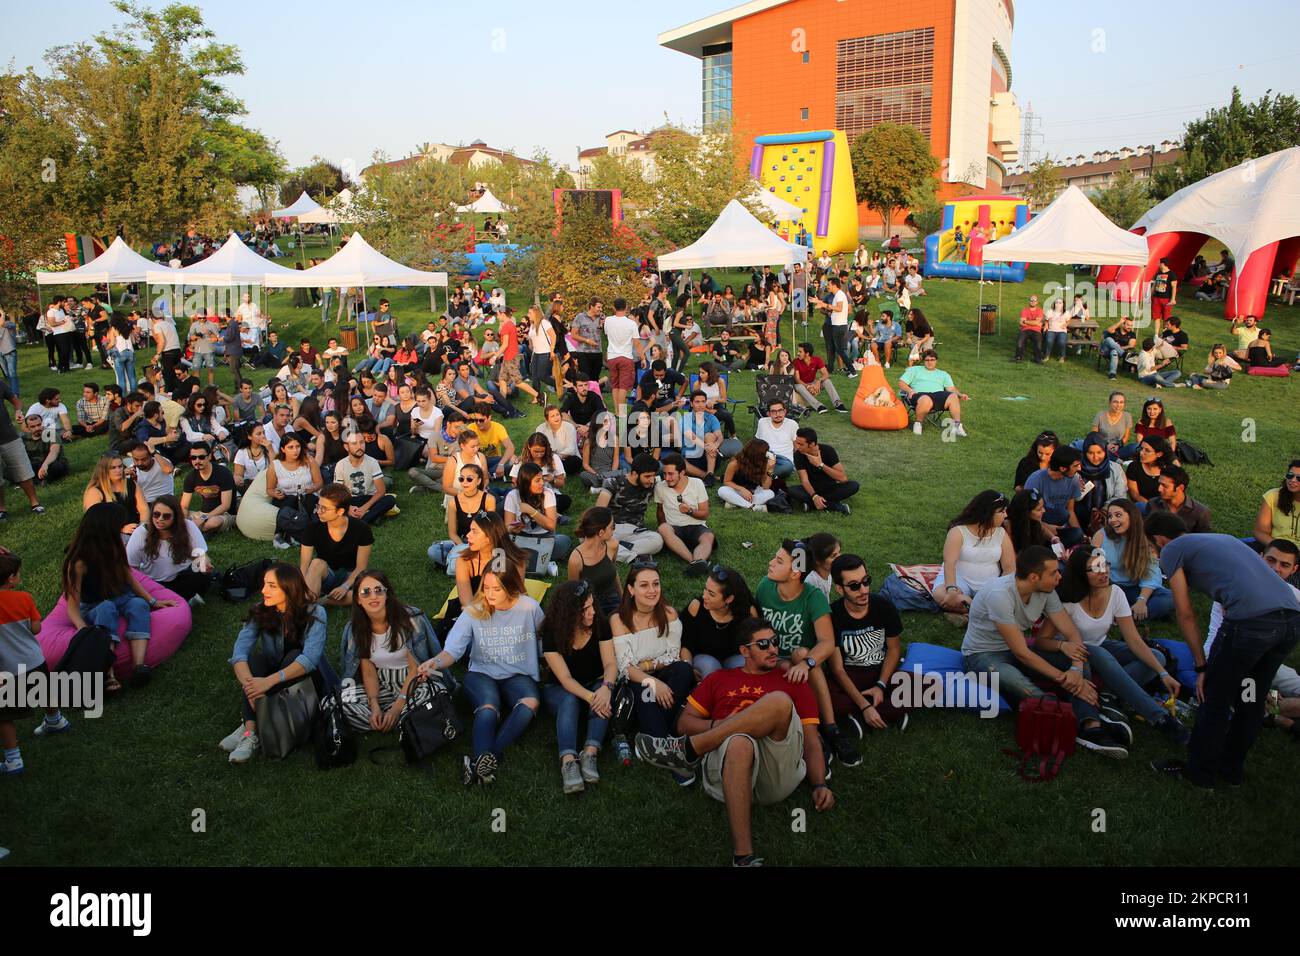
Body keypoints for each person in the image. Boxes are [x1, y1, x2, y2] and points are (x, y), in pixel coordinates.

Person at [634, 617, 830, 867]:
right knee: (739, 740)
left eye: (775, 642)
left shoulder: (791, 678)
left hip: (776, 770)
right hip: (727, 772)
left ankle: (689, 750)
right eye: (763, 644)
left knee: (779, 701)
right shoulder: (719, 679)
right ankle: (743, 857)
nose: (773, 649)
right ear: (744, 651)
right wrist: (724, 726)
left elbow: (811, 738)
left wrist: (819, 784)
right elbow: (684, 723)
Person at [1145, 513, 1300, 787]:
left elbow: (1185, 614)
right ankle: (1231, 771)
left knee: (1213, 697)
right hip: (1290, 621)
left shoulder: (1171, 549)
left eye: (1150, 546)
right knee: (1251, 697)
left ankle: (1199, 774)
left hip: (1251, 625)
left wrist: (1202, 666)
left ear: (1158, 539)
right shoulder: (1222, 539)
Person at [962, 546, 1132, 756]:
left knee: (1079, 657)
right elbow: (1022, 653)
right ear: (1034, 577)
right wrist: (1066, 678)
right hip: (983, 656)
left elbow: (1072, 634)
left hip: (1018, 648)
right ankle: (1070, 719)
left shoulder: (1046, 591)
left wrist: (1077, 671)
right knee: (1027, 689)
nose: (1059, 577)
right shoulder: (1000, 595)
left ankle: (1091, 726)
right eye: (1054, 573)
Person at [417, 563, 546, 786]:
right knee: (488, 708)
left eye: (497, 589)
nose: (490, 594)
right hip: (482, 673)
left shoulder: (530, 608)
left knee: (531, 703)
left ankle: (480, 762)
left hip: (518, 674)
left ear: (511, 586)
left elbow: (546, 642)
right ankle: (484, 763)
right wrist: (433, 663)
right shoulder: (475, 610)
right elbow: (453, 651)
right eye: (486, 588)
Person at [1052, 547, 1189, 743]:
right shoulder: (1068, 601)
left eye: (1105, 565)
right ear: (1081, 575)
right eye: (1095, 568)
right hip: (1071, 652)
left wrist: (1163, 673)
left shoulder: (1115, 592)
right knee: (1098, 652)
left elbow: (1133, 638)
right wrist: (1062, 647)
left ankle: (1108, 694)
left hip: (1101, 644)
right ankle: (1159, 717)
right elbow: (1043, 638)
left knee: (1156, 657)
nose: (1104, 571)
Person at [756, 539, 857, 766]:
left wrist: (806, 664)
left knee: (801, 654)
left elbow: (827, 641)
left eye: (779, 561)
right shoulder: (764, 586)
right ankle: (812, 734)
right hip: (772, 662)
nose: (771, 563)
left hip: (804, 665)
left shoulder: (813, 597)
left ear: (795, 573)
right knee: (785, 664)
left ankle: (831, 728)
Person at [220, 563, 333, 764]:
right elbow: (239, 653)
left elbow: (309, 660)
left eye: (272, 586)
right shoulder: (260, 610)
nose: (264, 591)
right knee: (256, 660)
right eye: (264, 584)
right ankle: (250, 731)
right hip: (271, 677)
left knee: (295, 656)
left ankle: (253, 721)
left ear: (289, 588)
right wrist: (252, 688)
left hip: (308, 683)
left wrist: (268, 682)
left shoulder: (315, 612)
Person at [63, 503, 176, 690]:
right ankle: (108, 673)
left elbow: (128, 576)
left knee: (139, 605)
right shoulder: (79, 562)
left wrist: (153, 601)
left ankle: (139, 666)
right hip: (93, 605)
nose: (121, 529)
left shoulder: (115, 546)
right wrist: (84, 631)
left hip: (121, 596)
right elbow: (72, 605)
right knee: (106, 608)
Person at [609, 561, 696, 783]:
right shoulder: (619, 620)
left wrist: (648, 667)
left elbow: (673, 656)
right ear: (630, 589)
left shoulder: (668, 614)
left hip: (661, 673)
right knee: (643, 688)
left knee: (684, 670)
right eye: (644, 585)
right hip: (635, 682)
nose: (652, 591)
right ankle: (670, 751)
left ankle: (651, 736)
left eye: (656, 584)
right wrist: (651, 680)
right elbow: (626, 668)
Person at [338, 571, 450, 736]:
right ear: (358, 600)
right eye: (365, 592)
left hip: (417, 678)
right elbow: (368, 672)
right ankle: (403, 719)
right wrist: (374, 704)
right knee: (341, 701)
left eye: (379, 590)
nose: (373, 596)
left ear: (387, 594)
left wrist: (397, 708)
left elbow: (416, 667)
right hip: (383, 681)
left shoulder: (410, 619)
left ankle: (394, 717)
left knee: (437, 693)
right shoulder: (355, 629)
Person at [539, 580, 618, 793]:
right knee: (570, 698)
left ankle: (590, 752)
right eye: (585, 609)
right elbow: (565, 679)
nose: (592, 612)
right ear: (569, 613)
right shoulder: (551, 632)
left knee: (602, 693)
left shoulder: (600, 623)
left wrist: (606, 688)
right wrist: (593, 698)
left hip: (595, 681)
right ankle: (568, 760)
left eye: (592, 605)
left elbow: (611, 664)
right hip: (560, 689)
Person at [0, 548, 73, 774]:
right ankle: (55, 719)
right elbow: (36, 628)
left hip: (8, 669)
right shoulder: (24, 598)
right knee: (44, 692)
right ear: (11, 578)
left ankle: (13, 759)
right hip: (34, 660)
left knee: (4, 715)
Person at [826, 554, 908, 734]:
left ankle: (861, 713)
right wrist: (864, 705)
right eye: (854, 586)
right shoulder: (832, 616)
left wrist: (881, 685)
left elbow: (894, 649)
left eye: (866, 581)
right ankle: (887, 709)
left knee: (931, 687)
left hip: (882, 671)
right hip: (850, 676)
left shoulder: (884, 606)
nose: (863, 590)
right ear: (840, 589)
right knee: (820, 696)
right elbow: (837, 669)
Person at [933, 490, 1014, 616]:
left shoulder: (1001, 534)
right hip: (959, 581)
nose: (1005, 515)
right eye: (1001, 511)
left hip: (989, 585)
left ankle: (970, 609)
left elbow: (1009, 567)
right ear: (987, 513)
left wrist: (1001, 590)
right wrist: (952, 590)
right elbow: (950, 562)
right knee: (940, 594)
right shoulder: (958, 531)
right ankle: (978, 609)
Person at [1092, 498, 1173, 620]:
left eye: (1118, 515)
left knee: (1169, 598)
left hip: (1134, 589)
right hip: (1108, 587)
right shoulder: (1101, 535)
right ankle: (1128, 616)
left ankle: (1128, 615)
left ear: (1131, 516)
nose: (1112, 520)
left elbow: (1151, 573)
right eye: (1110, 516)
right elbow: (1094, 569)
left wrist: (1142, 600)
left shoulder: (1144, 538)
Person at [126, 495, 216, 604]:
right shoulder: (141, 534)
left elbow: (201, 554)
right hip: (156, 583)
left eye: (166, 516)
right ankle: (185, 600)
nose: (160, 519)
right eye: (156, 514)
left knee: (203, 574)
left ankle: (185, 599)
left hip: (183, 575)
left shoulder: (188, 526)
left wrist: (205, 562)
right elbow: (132, 569)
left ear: (176, 517)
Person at [680, 564, 756, 680]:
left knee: (745, 666)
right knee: (711, 668)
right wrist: (687, 668)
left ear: (729, 599)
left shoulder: (747, 613)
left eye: (711, 594)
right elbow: (686, 644)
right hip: (704, 658)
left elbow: (755, 645)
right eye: (705, 589)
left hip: (734, 658)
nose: (704, 596)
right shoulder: (696, 606)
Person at [654, 453, 715, 576]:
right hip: (674, 529)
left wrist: (690, 511)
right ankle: (694, 562)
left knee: (708, 536)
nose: (667, 478)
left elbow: (705, 514)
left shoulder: (697, 483)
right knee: (663, 528)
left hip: (696, 526)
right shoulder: (660, 487)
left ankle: (698, 561)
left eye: (671, 474)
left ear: (682, 473)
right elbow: (660, 510)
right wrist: (664, 532)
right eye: (664, 474)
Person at [595, 454, 663, 562]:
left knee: (658, 541)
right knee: (589, 537)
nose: (651, 480)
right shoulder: (613, 482)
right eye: (647, 476)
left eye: (653, 476)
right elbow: (598, 512)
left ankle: (615, 548)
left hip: (635, 531)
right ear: (635, 473)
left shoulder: (652, 484)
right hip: (612, 529)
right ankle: (634, 557)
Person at [428, 463, 496, 572]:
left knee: (498, 552)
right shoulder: (453, 502)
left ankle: (453, 564)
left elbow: (491, 529)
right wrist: (463, 548)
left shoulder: (489, 499)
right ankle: (466, 565)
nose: (464, 482)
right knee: (433, 550)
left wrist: (476, 546)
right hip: (461, 542)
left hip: (482, 543)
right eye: (461, 479)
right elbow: (452, 533)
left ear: (478, 481)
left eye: (469, 479)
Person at [504, 462, 571, 571]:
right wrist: (513, 529)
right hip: (521, 537)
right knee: (503, 545)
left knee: (564, 541)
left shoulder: (548, 494)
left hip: (544, 537)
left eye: (542, 479)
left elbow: (551, 526)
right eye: (537, 480)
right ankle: (543, 559)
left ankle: (533, 558)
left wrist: (532, 511)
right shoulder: (513, 495)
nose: (542, 483)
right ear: (526, 483)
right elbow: (507, 527)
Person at [267, 433, 323, 549]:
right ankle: (278, 535)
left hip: (307, 496)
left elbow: (319, 483)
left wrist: (312, 488)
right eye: (290, 447)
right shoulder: (275, 465)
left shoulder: (309, 460)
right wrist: (275, 493)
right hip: (285, 499)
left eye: (298, 446)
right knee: (290, 500)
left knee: (310, 499)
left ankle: (303, 534)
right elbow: (269, 489)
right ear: (283, 449)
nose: (295, 450)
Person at [897, 350, 969, 437]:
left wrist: (960, 395)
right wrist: (910, 390)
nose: (930, 362)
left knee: (953, 396)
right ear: (923, 361)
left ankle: (957, 426)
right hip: (919, 395)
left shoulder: (943, 374)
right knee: (926, 399)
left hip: (938, 395)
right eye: (927, 360)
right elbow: (901, 383)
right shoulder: (914, 369)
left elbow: (951, 389)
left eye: (932, 360)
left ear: (936, 361)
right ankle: (918, 424)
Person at [1025, 447, 1086, 549]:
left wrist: (1082, 537)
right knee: (1061, 514)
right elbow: (1027, 514)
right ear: (1063, 468)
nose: (1079, 468)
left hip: (1058, 527)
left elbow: (1070, 511)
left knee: (1076, 532)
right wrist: (1047, 528)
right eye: (1075, 466)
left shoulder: (1073, 480)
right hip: (1037, 524)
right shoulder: (1036, 480)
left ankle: (1055, 547)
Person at [568, 506, 622, 617]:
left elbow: (614, 571)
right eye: (612, 526)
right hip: (590, 605)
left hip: (613, 599)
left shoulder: (612, 545)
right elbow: (573, 593)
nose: (614, 529)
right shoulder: (576, 559)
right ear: (601, 532)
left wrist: (622, 598)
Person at [789, 426, 857, 516]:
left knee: (854, 485)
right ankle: (834, 505)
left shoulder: (828, 451)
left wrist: (820, 465)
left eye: (801, 444)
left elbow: (843, 478)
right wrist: (814, 496)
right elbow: (804, 480)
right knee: (790, 490)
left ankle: (811, 505)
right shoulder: (798, 455)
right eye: (797, 443)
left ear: (812, 444)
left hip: (830, 487)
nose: (797, 447)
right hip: (812, 489)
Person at [335, 432, 395, 525]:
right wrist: (349, 507)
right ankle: (374, 516)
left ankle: (362, 520)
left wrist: (364, 508)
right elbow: (338, 493)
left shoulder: (372, 462)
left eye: (362, 442)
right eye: (354, 443)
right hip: (351, 499)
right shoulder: (341, 465)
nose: (359, 446)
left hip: (369, 498)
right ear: (347, 447)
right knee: (334, 504)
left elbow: (381, 491)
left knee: (390, 499)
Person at [82, 453, 148, 534]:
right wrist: (121, 529)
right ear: (104, 470)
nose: (118, 470)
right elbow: (93, 522)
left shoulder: (131, 483)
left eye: (120, 466)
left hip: (135, 529)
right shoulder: (95, 491)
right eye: (113, 468)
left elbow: (143, 509)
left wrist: (143, 526)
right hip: (109, 533)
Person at [181, 445, 236, 535]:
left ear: (210, 456)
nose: (197, 461)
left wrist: (202, 518)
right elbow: (184, 506)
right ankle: (193, 529)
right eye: (193, 458)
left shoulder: (223, 473)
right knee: (174, 516)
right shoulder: (191, 476)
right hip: (202, 513)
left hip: (224, 514)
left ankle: (191, 530)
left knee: (213, 522)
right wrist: (184, 519)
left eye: (201, 457)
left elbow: (225, 506)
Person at [1148, 465, 1212, 533]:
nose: (1159, 489)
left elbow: (1202, 540)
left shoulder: (1200, 513)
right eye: (1159, 484)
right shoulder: (1153, 504)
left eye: (1165, 486)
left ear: (1181, 488)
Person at [1253, 460, 1300, 551]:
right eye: (1290, 475)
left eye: (1299, 478)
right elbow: (1260, 532)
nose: (1293, 480)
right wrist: (1278, 550)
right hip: (1273, 547)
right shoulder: (1273, 496)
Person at [719, 438, 776, 512]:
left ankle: (736, 504)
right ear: (757, 454)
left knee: (770, 493)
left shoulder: (764, 463)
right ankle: (752, 507)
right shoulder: (735, 463)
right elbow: (726, 481)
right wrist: (742, 489)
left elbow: (765, 487)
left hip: (754, 492)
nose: (767, 454)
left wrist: (770, 470)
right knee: (722, 490)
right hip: (737, 490)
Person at [793, 343, 848, 413]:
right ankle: (819, 406)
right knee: (799, 386)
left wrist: (818, 381)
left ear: (807, 353)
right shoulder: (796, 361)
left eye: (800, 352)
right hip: (801, 384)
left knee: (827, 381)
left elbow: (826, 374)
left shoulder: (817, 359)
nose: (798, 353)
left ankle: (837, 403)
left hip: (812, 382)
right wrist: (808, 386)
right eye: (798, 351)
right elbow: (797, 379)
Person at [754, 399, 798, 477]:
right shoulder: (762, 422)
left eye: (780, 411)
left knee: (787, 467)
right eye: (774, 411)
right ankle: (768, 475)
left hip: (783, 459)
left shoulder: (792, 424)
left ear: (784, 411)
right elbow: (757, 442)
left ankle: (761, 475)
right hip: (766, 456)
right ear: (769, 413)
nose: (777, 414)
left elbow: (797, 447)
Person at [1125, 436, 1172, 507]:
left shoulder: (1168, 470)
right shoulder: (1134, 467)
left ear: (1159, 454)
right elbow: (1134, 494)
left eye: (1147, 450)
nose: (1141, 453)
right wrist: (1152, 507)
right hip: (1143, 505)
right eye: (1141, 449)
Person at [22, 414, 69, 483]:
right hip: (36, 464)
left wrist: (45, 465)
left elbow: (54, 451)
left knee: (56, 466)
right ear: (28, 428)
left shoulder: (51, 434)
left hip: (52, 463)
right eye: (33, 426)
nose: (37, 428)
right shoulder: (24, 439)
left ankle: (41, 480)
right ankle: (39, 479)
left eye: (39, 425)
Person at [127, 440, 176, 505]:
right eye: (136, 459)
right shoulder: (132, 469)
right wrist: (131, 479)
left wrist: (154, 452)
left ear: (151, 456)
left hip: (165, 501)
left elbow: (168, 469)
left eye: (144, 459)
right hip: (145, 504)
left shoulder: (161, 462)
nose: (139, 463)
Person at [1090, 392, 1132, 458]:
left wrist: (1118, 445)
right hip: (1101, 446)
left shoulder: (1127, 416)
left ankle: (1111, 457)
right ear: (1110, 402)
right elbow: (1093, 436)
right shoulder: (1100, 415)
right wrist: (1106, 445)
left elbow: (1126, 436)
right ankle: (1113, 458)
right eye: (1115, 402)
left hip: (1118, 447)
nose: (1118, 405)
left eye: (1121, 402)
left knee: (1135, 447)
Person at [233, 422, 273, 490]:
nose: (263, 436)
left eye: (263, 433)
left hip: (268, 484)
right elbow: (238, 475)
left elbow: (276, 468)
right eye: (259, 434)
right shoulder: (242, 452)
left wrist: (270, 450)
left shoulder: (270, 447)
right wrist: (238, 479)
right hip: (250, 486)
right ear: (249, 436)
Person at [1015, 294, 1045, 363]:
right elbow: (1021, 323)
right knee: (1020, 341)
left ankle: (1037, 359)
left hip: (1036, 330)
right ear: (1029, 301)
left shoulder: (1040, 311)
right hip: (1025, 330)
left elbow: (1036, 322)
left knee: (1038, 342)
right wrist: (1034, 323)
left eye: (1035, 300)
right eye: (1031, 300)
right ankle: (1018, 358)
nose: (1033, 301)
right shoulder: (1025, 310)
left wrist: (1026, 321)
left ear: (1037, 302)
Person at [1149, 257, 1177, 328]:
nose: (1157, 264)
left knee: (1166, 318)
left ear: (1162, 264)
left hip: (1166, 299)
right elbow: (1154, 286)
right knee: (1156, 317)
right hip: (1156, 298)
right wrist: (1150, 296)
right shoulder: (1158, 274)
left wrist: (1173, 299)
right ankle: (1156, 335)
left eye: (1159, 263)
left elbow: (1174, 287)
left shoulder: (1171, 274)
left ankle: (1164, 333)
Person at [1042, 298, 1070, 362]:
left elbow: (1069, 320)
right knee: (1049, 341)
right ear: (1054, 304)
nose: (1058, 304)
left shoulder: (1066, 312)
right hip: (1051, 330)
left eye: (1060, 303)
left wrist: (1066, 324)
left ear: (1063, 304)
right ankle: (1046, 356)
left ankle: (1062, 357)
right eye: (1056, 302)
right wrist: (1046, 325)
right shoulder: (1050, 311)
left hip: (1062, 331)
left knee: (1062, 342)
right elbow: (1046, 320)